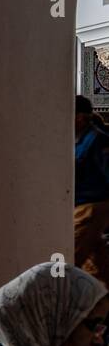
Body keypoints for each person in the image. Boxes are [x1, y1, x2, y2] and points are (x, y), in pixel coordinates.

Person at [74, 95, 109, 278]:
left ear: (79, 117)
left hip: (92, 208)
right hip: (83, 207)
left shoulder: (97, 140)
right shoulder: (77, 141)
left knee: (67, 259)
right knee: (97, 267)